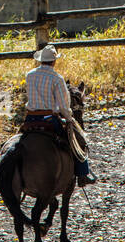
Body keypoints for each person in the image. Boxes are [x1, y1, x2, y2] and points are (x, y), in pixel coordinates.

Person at [23, 43, 97, 185]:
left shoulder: (30, 75)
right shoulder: (57, 79)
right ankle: (82, 174)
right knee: (78, 139)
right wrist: (69, 119)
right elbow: (63, 105)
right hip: (50, 119)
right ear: (54, 61)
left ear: (40, 60)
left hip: (30, 118)